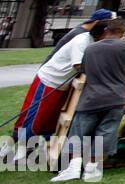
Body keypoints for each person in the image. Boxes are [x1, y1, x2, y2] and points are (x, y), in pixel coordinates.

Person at [51, 20, 125, 183]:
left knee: (79, 133)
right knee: (105, 133)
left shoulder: (91, 48)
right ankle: (92, 170)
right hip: (115, 98)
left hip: (90, 99)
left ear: (106, 30)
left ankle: (73, 167)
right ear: (123, 32)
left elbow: (83, 69)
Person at [12, 9, 116, 142]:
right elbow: (78, 65)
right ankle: (19, 145)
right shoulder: (81, 39)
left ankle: (39, 148)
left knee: (50, 121)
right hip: (50, 80)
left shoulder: (94, 41)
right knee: (35, 118)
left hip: (63, 84)